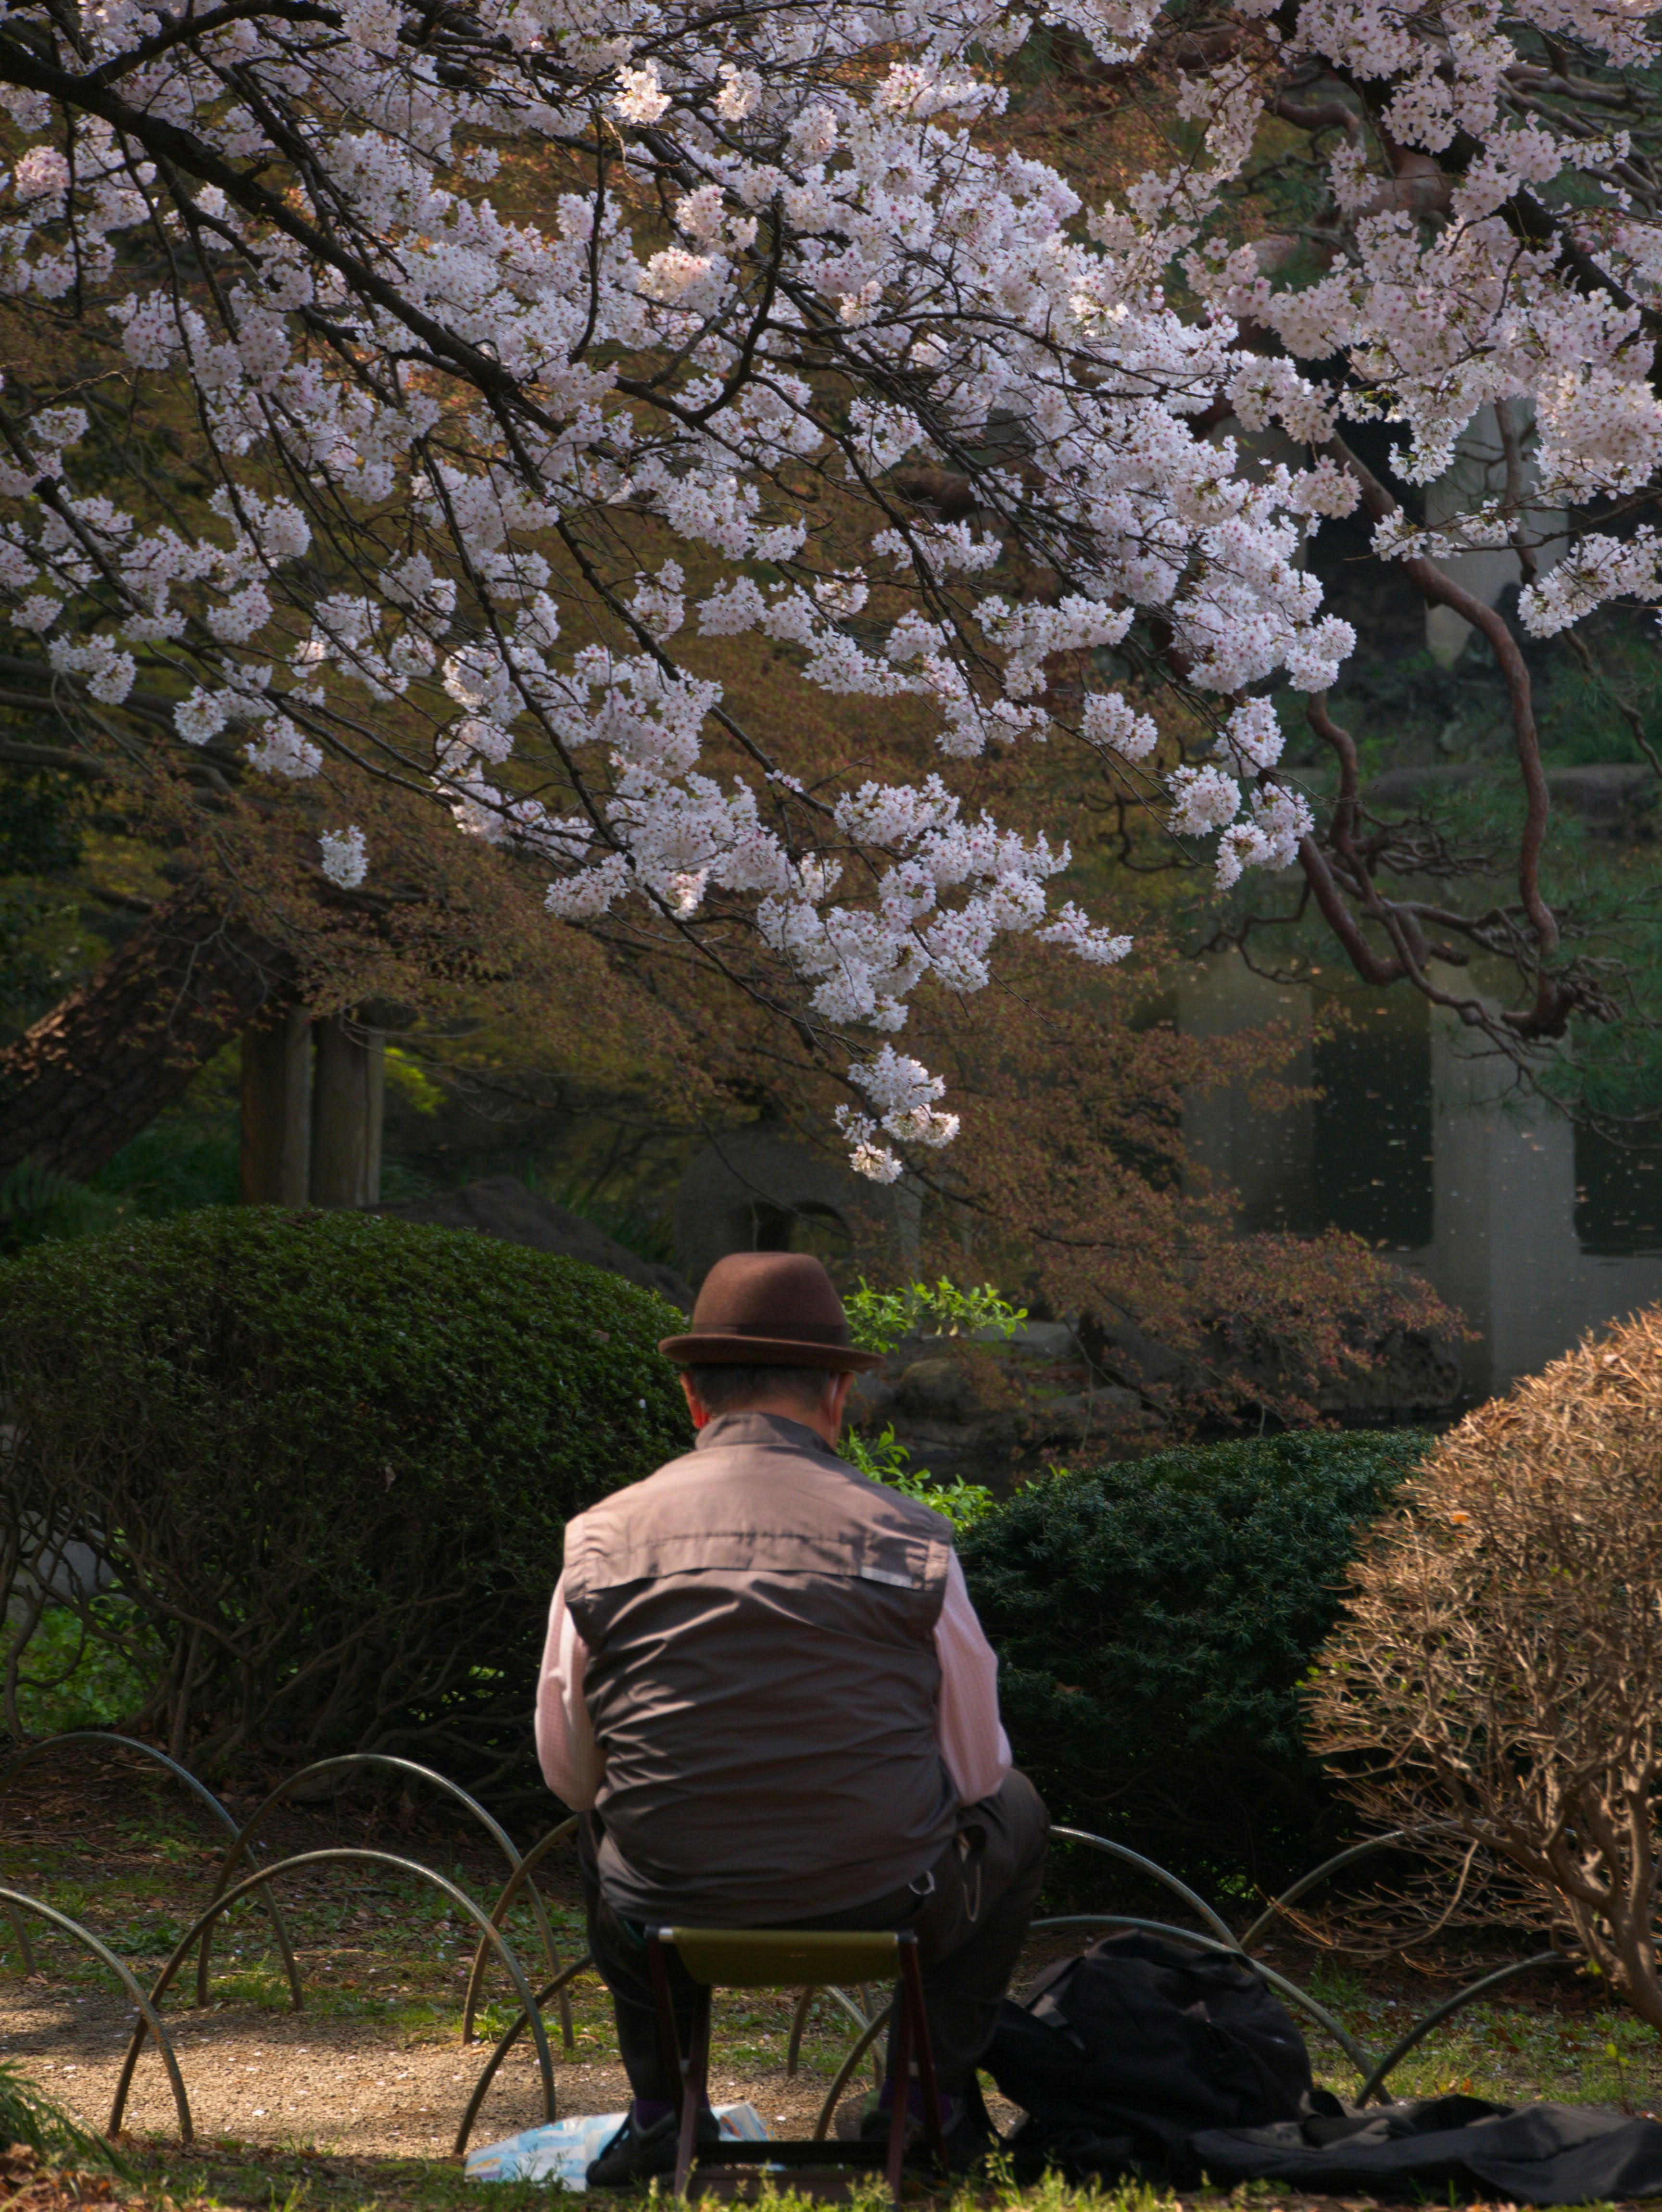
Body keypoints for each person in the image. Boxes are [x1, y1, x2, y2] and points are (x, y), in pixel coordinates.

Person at [535, 1249, 1049, 2187]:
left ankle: (661, 2117)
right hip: (889, 1897)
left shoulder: (600, 1539)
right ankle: (924, 2106)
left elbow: (570, 1773)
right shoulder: (913, 1539)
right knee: (1017, 1806)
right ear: (836, 1400)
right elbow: (976, 1769)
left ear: (694, 1397)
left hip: (666, 1908)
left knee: (600, 1827)